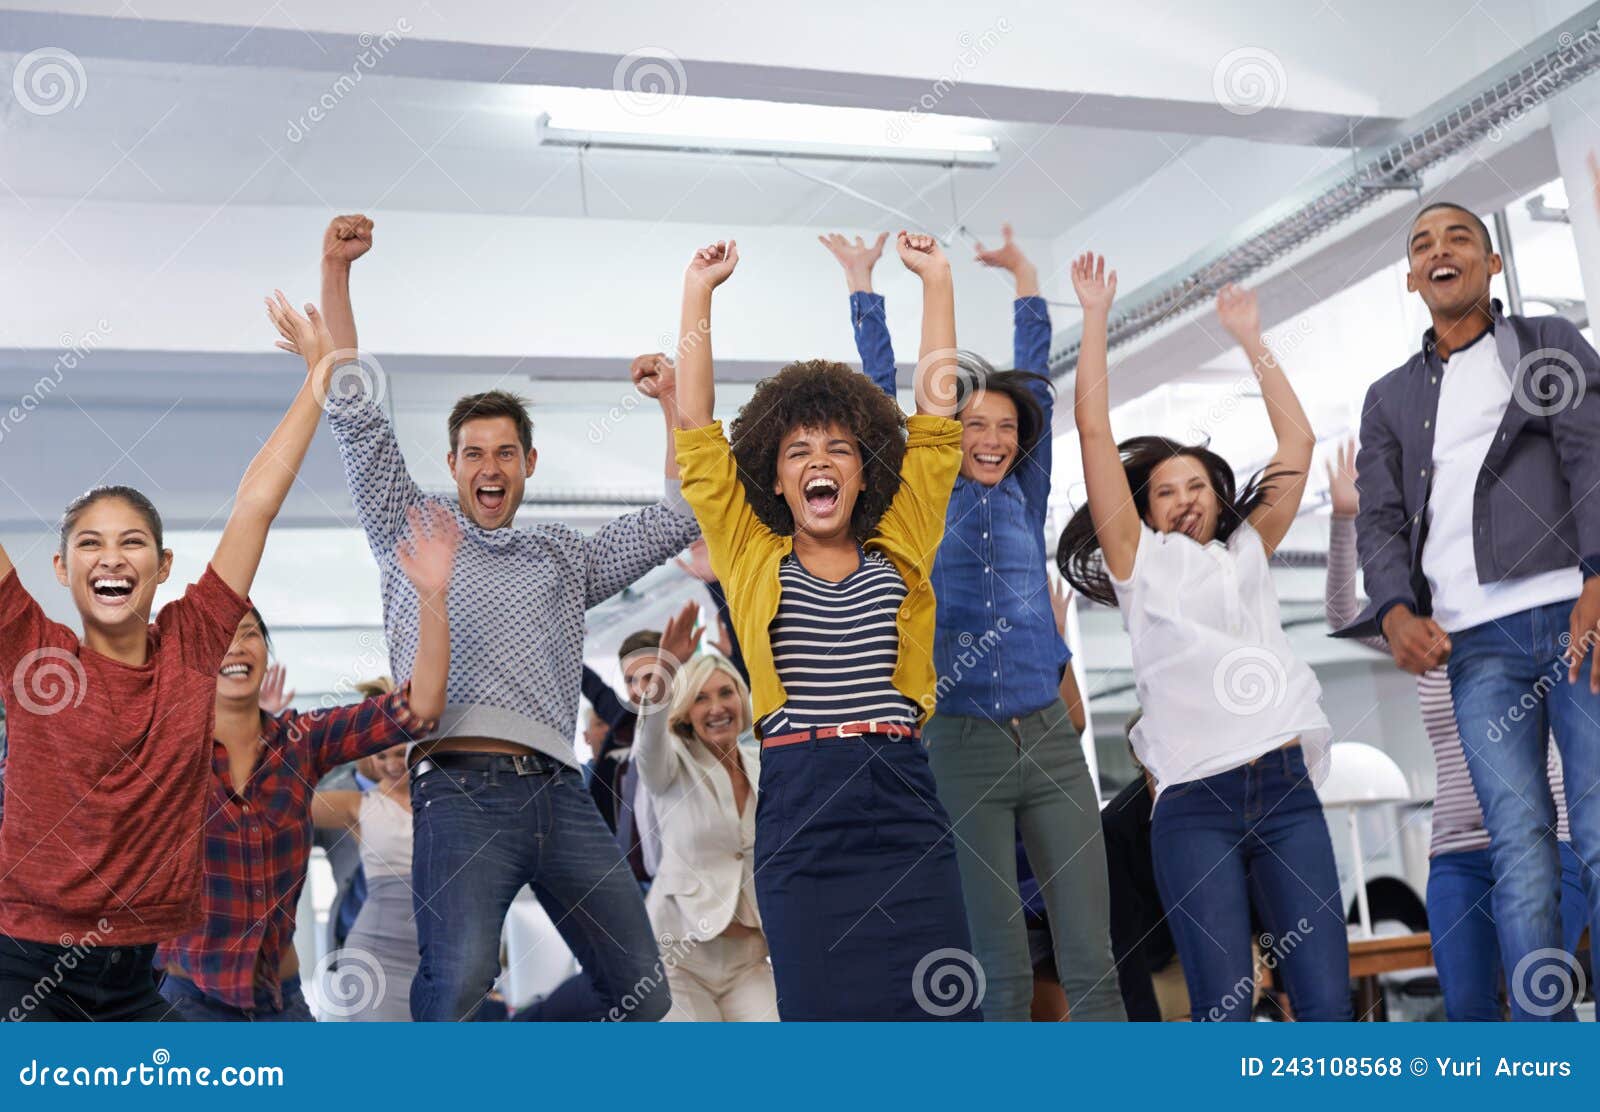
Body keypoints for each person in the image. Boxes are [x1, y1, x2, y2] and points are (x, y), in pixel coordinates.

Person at [315, 213, 697, 1022]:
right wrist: (337, 273)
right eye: (474, 454)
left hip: (558, 792)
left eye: (506, 453)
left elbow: (678, 514)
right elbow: (353, 409)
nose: (490, 467)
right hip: (459, 791)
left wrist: (670, 401)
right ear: (452, 465)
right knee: (453, 989)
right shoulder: (410, 526)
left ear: (529, 465)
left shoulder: (562, 554)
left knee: (646, 992)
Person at [0, 290, 338, 1021]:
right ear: (62, 569)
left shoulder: (192, 646)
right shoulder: (29, 647)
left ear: (161, 564)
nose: (110, 557)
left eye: (131, 543)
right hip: (24, 966)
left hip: (141, 974)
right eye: (89, 543)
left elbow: (255, 504)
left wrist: (318, 379)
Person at [672, 233, 980, 1020]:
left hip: (901, 790)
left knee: (943, 1017)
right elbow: (698, 436)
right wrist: (698, 293)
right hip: (801, 804)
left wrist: (938, 281)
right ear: (777, 477)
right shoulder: (748, 554)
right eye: (800, 450)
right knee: (821, 1018)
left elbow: (938, 425)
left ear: (862, 470)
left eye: (839, 448)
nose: (821, 460)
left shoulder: (901, 540)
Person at [820, 224, 1124, 1021]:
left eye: (1005, 429)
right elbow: (881, 394)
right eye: (972, 426)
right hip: (959, 746)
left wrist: (1028, 276)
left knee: (1092, 957)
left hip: (1051, 740)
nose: (990, 439)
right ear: (948, 435)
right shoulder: (914, 505)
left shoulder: (1025, 494)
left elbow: (1040, 382)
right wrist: (865, 284)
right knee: (1000, 967)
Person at [1058, 253, 1350, 1022]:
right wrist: (1094, 315)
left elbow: (1298, 444)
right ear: (1145, 511)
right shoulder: (1139, 564)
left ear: (1218, 500)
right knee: (1223, 1012)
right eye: (1165, 492)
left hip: (1285, 790)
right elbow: (1093, 426)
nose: (1184, 501)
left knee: (1324, 1001)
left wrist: (1251, 337)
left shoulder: (1249, 547)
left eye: (1197, 488)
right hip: (1195, 807)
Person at [1337, 199, 1600, 1020]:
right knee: (1519, 851)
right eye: (1422, 245)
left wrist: (1598, 577)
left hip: (1571, 614)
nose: (1439, 251)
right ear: (1411, 279)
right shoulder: (1388, 398)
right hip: (1475, 645)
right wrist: (1391, 612)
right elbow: (1377, 518)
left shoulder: (1546, 344)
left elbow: (1592, 450)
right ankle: (1540, 1054)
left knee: (1596, 830)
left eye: (1459, 239)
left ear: (1490, 266)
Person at [1324, 439, 1589, 1020]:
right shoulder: (1426, 629)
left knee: (1534, 1003)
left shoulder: (1538, 606)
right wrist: (1346, 519)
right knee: (1468, 1013)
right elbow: (1346, 615)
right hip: (1457, 851)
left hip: (1546, 841)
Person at [632, 604, 777, 1022]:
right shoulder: (672, 766)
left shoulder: (762, 764)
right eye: (701, 698)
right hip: (677, 958)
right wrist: (664, 671)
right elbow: (649, 741)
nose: (716, 707)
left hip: (748, 958)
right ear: (686, 711)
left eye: (726, 692)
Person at [313, 741, 420, 1022]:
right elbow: (281, 806)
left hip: (442, 951)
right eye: (381, 756)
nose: (392, 764)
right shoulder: (355, 803)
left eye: (400, 754)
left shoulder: (446, 801)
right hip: (377, 953)